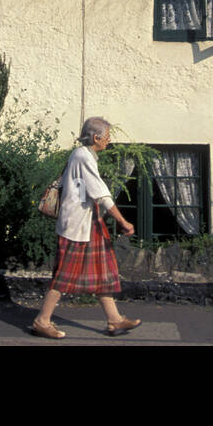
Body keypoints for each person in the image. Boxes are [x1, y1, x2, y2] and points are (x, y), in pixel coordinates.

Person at [30, 117, 141, 339]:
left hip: (88, 223)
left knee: (103, 272)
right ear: (96, 137)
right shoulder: (83, 156)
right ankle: (42, 321)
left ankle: (114, 320)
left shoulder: (86, 155)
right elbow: (100, 193)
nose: (109, 141)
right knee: (63, 275)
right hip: (76, 225)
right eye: (107, 137)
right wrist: (123, 221)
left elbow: (87, 193)